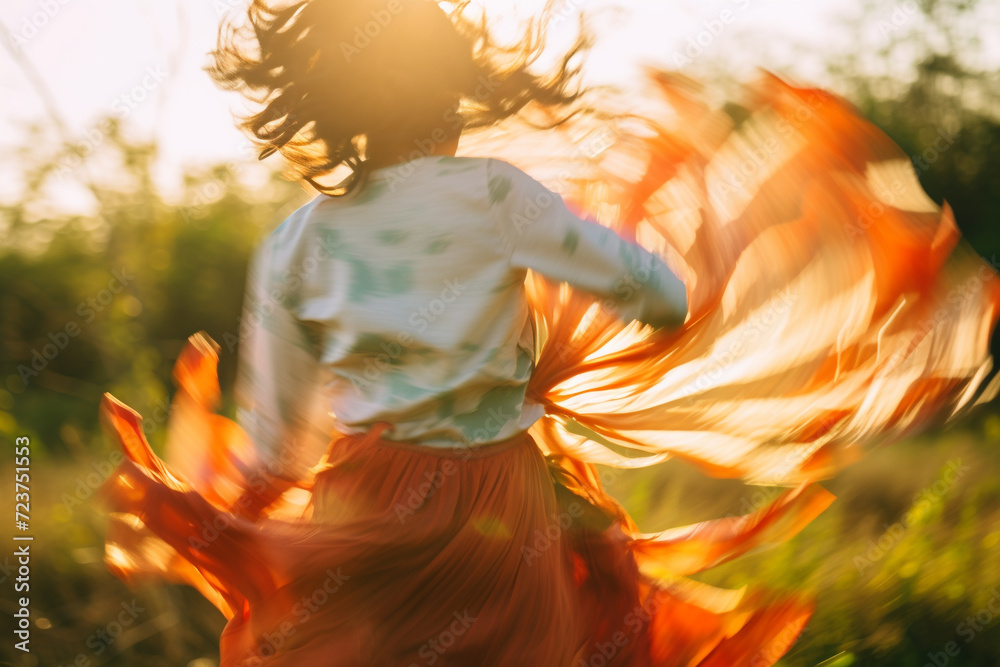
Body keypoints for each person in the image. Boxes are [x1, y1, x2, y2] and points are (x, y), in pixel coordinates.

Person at [98, 1, 999, 665]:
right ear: (456, 92)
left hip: (359, 508)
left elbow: (279, 445)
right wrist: (552, 341)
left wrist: (243, 518)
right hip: (495, 507)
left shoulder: (296, 242)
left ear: (330, 110)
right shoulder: (495, 196)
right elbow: (658, 297)